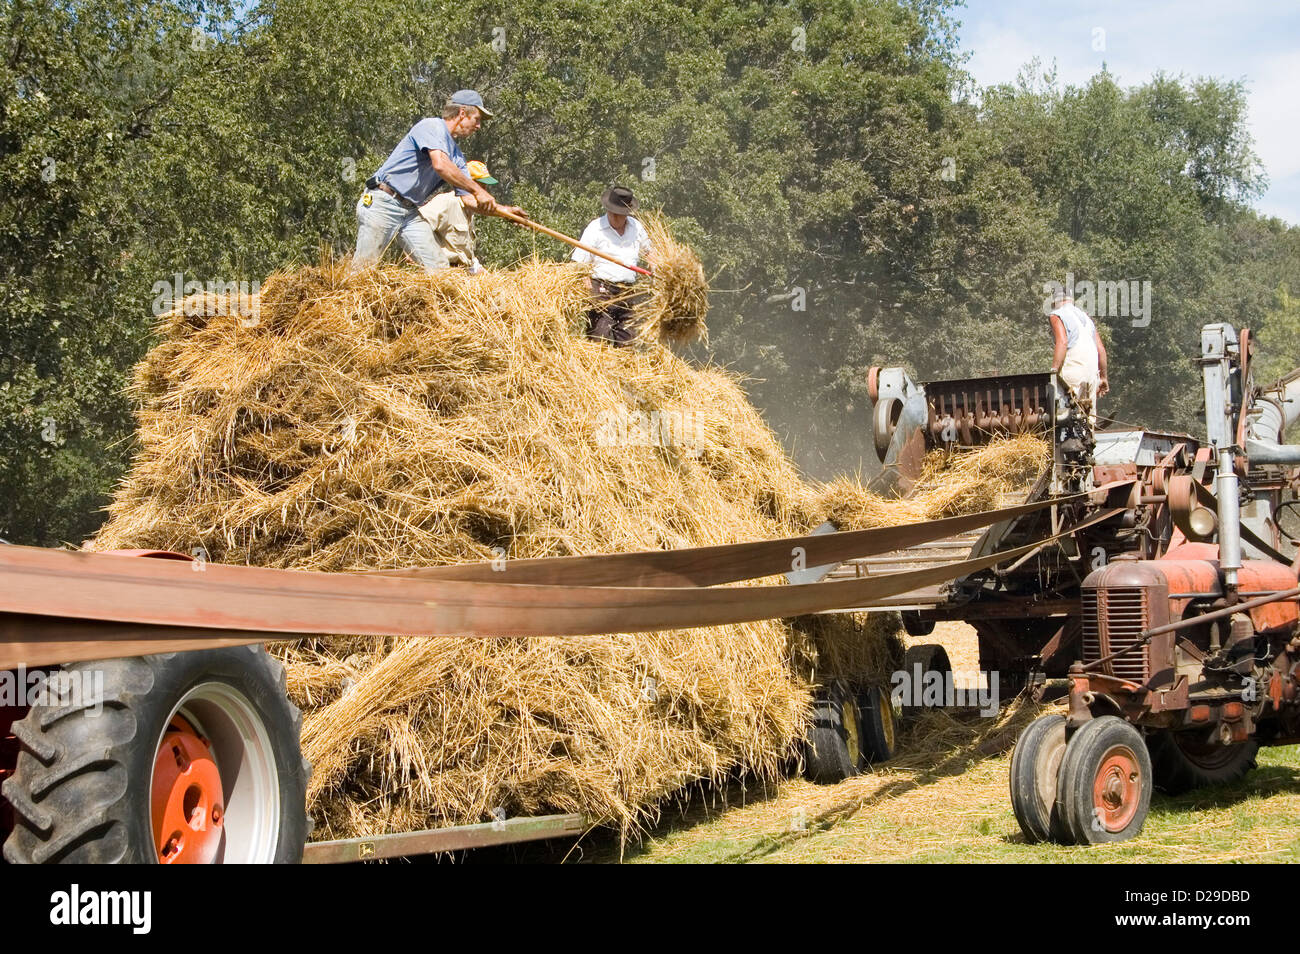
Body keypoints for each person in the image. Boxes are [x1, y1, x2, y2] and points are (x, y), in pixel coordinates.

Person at [350, 90, 524, 273]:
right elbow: (440, 164)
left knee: (439, 269)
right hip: (383, 201)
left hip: (409, 212)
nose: (479, 126)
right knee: (363, 271)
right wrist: (478, 190)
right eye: (477, 119)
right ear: (462, 113)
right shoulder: (432, 126)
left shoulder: (456, 156)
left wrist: (505, 212)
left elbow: (469, 201)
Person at [570, 185, 654, 345]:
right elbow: (579, 263)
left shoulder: (636, 228)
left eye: (619, 214)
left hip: (628, 292)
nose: (615, 217)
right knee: (599, 339)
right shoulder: (595, 229)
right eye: (612, 212)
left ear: (627, 213)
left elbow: (649, 252)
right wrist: (584, 279)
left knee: (628, 341)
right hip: (601, 291)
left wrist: (656, 267)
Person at [418, 160, 498, 273]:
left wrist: (477, 268)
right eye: (480, 187)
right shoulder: (446, 202)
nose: (484, 192)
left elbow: (465, 253)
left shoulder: (470, 211)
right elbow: (417, 225)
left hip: (461, 274)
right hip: (442, 273)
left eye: (485, 187)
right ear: (467, 184)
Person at [1049, 287, 1110, 422]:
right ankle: (1089, 441)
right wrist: (1104, 378)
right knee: (1088, 420)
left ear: (1054, 302)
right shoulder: (1087, 319)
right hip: (1092, 374)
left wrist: (1053, 371)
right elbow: (1100, 349)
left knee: (1064, 417)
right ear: (1071, 301)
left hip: (1073, 371)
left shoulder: (1057, 315)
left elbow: (1062, 342)